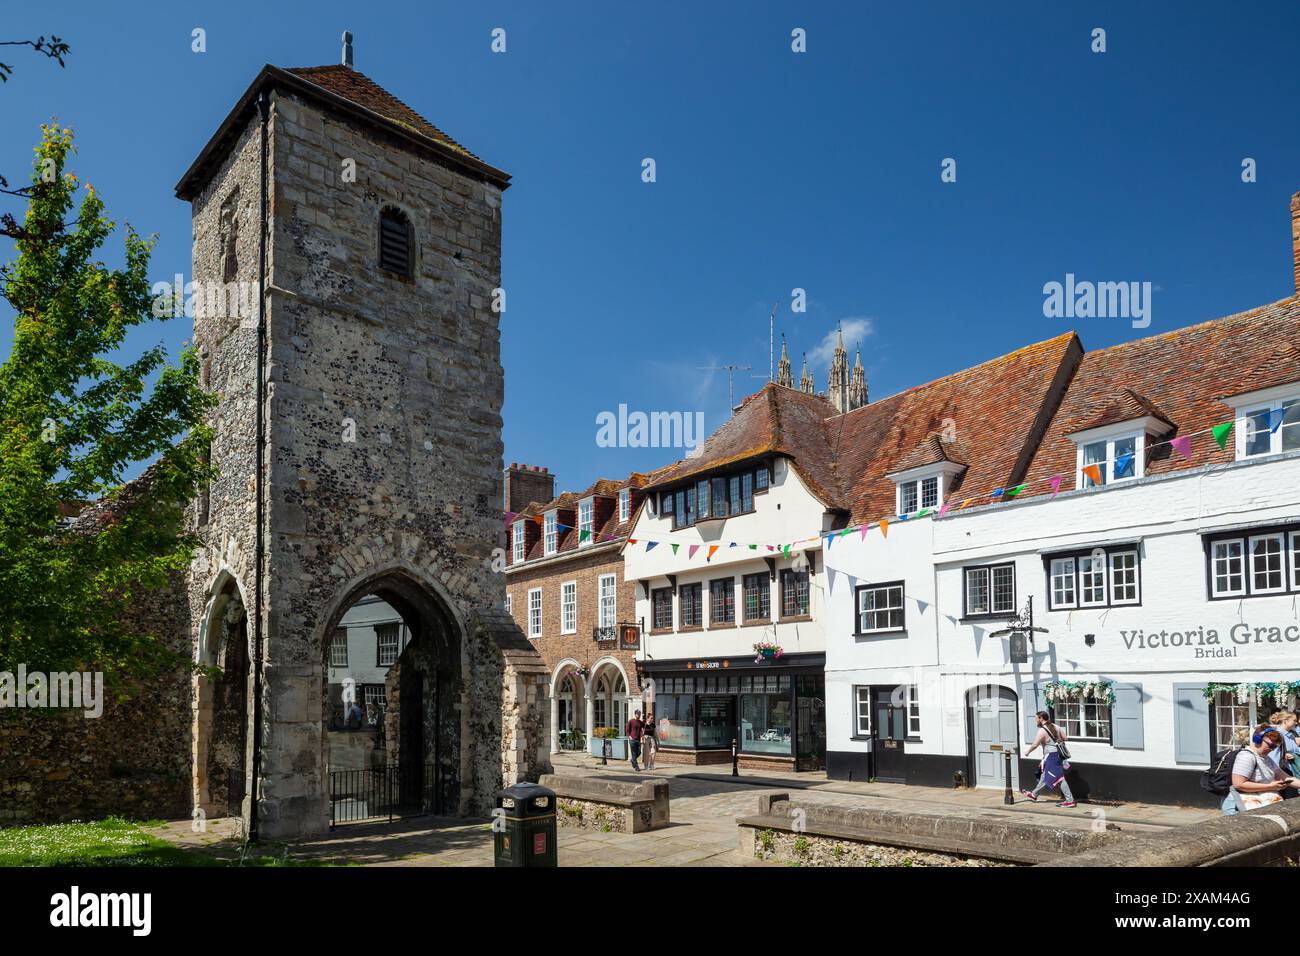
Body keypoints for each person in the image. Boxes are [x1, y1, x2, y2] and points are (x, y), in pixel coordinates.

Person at [1229, 725, 1300, 813]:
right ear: (1257, 739)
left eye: (1274, 747)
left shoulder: (1266, 758)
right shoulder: (1246, 757)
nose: (1271, 749)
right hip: (1249, 804)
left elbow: (1286, 778)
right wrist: (1270, 786)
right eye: (1270, 745)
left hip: (1263, 801)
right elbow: (1239, 784)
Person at [1022, 710, 1077, 808]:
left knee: (1059, 778)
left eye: (1036, 719)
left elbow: (1035, 744)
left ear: (1041, 718)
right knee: (1045, 776)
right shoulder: (1057, 727)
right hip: (1057, 756)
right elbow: (1065, 738)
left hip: (1052, 756)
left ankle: (1070, 800)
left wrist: (1028, 752)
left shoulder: (1042, 731)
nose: (1036, 721)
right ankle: (1034, 794)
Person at [1267, 710, 1300, 776]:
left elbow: (1297, 751)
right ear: (1285, 721)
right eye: (1294, 720)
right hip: (1283, 774)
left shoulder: (1291, 736)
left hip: (1293, 772)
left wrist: (1294, 755)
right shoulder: (1277, 736)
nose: (1296, 723)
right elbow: (1273, 758)